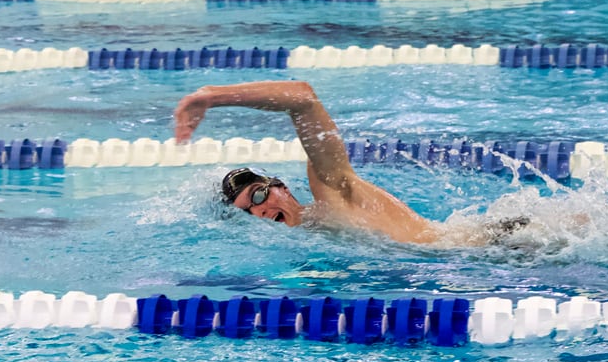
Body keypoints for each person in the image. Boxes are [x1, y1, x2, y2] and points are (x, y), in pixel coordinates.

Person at [174, 80, 446, 244]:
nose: (260, 213)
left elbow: (303, 100)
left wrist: (212, 96)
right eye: (246, 212)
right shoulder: (316, 237)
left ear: (282, 187)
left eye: (258, 196)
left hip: (476, 249)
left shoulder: (331, 194)